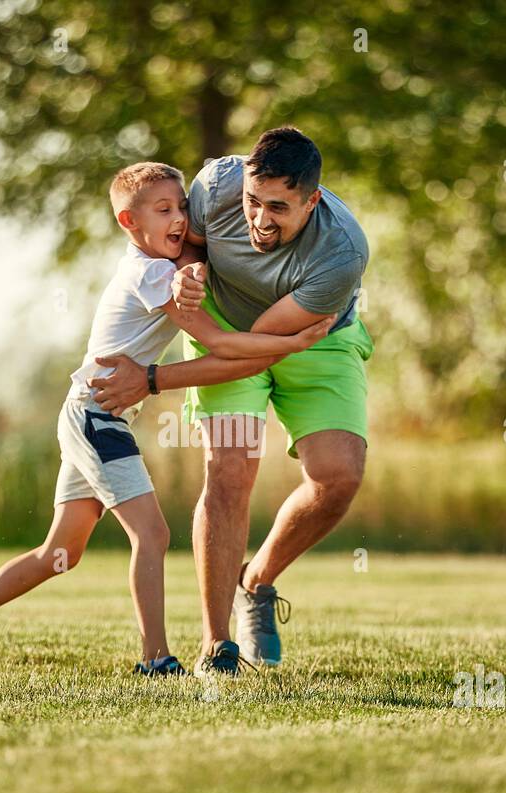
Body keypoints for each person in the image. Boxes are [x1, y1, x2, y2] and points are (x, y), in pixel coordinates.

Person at [0, 162, 330, 676]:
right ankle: (156, 658)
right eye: (164, 210)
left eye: (182, 207)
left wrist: (199, 270)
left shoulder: (162, 266)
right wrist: (293, 340)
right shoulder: (152, 273)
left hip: (92, 414)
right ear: (130, 223)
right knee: (151, 535)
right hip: (96, 416)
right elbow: (220, 343)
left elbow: (206, 287)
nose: (180, 219)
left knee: (60, 550)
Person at [89, 128, 373, 678]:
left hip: (310, 339)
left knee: (338, 475)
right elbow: (184, 238)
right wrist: (191, 268)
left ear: (312, 201)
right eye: (252, 201)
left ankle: (257, 581)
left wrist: (149, 379)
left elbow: (255, 354)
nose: (259, 220)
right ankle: (217, 645)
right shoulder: (218, 182)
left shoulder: (341, 255)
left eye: (277, 209)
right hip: (227, 329)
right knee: (230, 472)